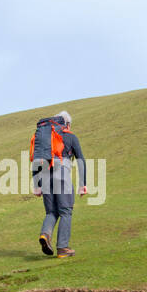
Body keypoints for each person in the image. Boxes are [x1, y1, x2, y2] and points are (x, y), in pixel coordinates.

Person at [32, 110, 87, 258]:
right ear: (66, 124)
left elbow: (36, 159)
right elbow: (80, 160)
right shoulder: (70, 136)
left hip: (44, 174)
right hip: (61, 174)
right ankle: (62, 248)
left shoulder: (45, 139)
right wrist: (83, 184)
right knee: (66, 211)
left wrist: (36, 184)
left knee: (51, 212)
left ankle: (45, 234)